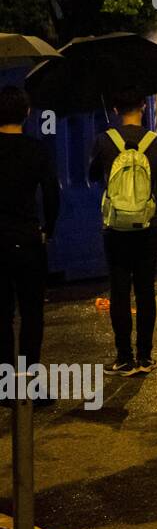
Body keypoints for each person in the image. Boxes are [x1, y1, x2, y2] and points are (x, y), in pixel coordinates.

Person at [88, 87, 157, 376]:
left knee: (120, 291)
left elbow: (92, 177)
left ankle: (124, 358)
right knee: (146, 291)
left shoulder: (104, 141)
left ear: (114, 110)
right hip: (148, 227)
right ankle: (145, 357)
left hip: (115, 228)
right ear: (143, 107)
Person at [0, 86, 59, 376]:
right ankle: (29, 383)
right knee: (32, 314)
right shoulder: (37, 149)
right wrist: (49, 228)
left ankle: (3, 383)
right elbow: (51, 194)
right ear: (26, 113)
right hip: (28, 240)